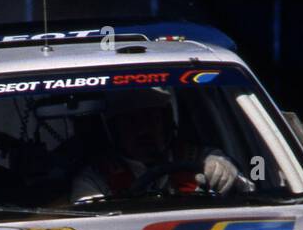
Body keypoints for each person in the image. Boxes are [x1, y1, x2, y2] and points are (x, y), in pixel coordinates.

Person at [71, 87, 242, 203]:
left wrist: (226, 171)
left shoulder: (202, 159)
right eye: (131, 121)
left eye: (151, 118)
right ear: (115, 130)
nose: (143, 129)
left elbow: (251, 194)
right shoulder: (95, 179)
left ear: (167, 122)